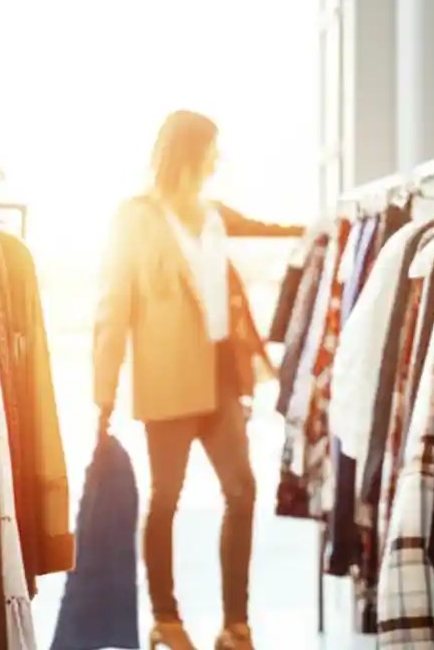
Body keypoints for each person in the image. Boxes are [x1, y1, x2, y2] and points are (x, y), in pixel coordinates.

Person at [92, 110, 302, 650]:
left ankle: (236, 625)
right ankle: (166, 619)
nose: (218, 158)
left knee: (242, 490)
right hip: (166, 382)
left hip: (220, 378)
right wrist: (104, 393)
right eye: (212, 147)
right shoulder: (136, 217)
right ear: (189, 150)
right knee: (166, 498)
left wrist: (321, 228)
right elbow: (113, 306)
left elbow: (265, 228)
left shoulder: (212, 214)